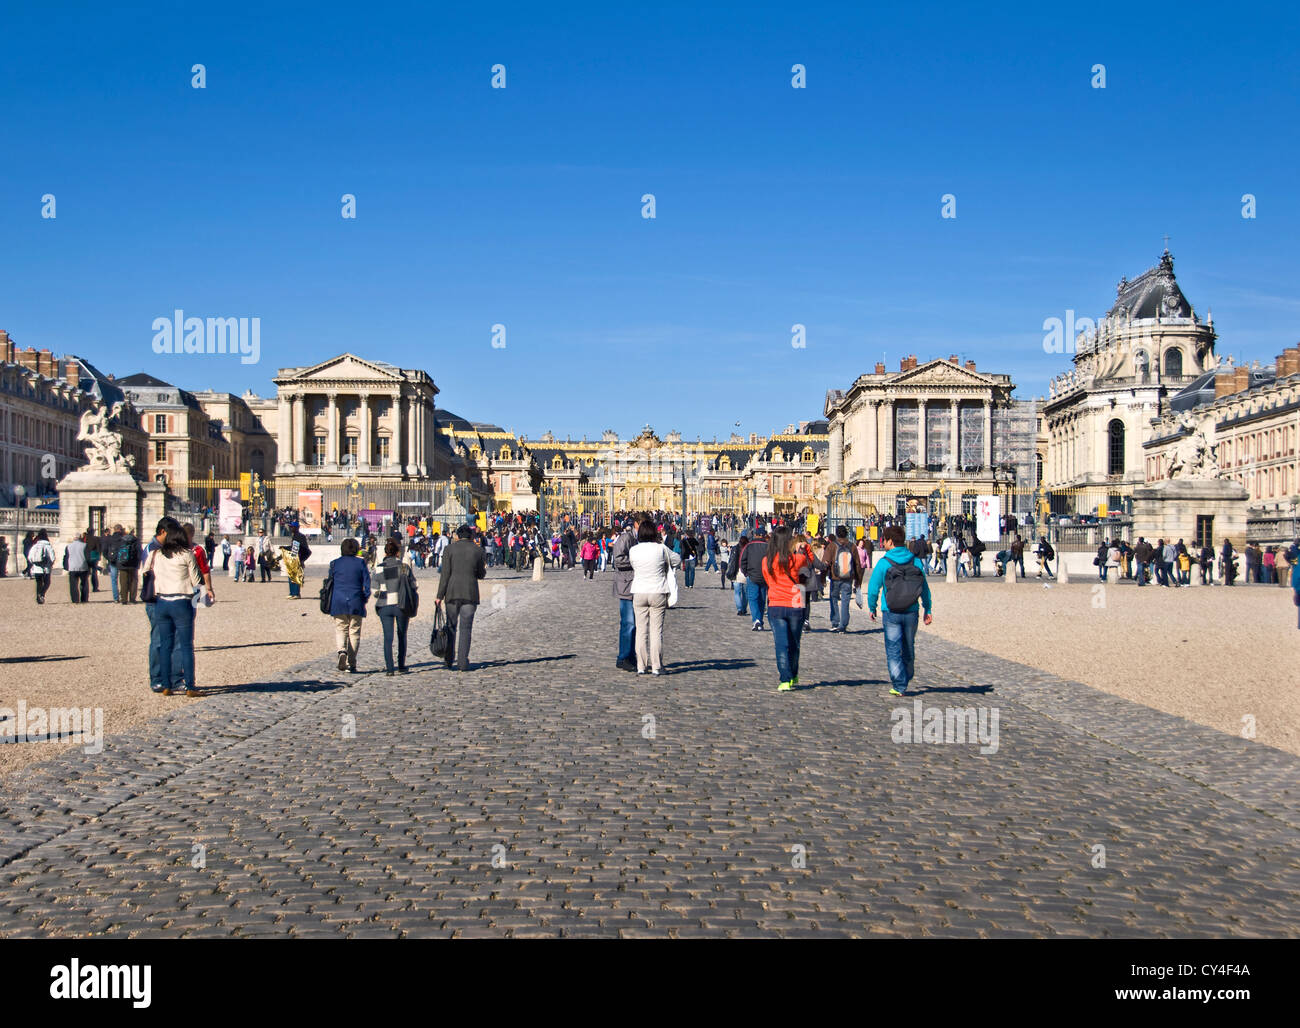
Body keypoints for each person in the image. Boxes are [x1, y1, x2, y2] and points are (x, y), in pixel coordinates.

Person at [867, 524, 934, 697]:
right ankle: (908, 672)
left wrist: (872, 607)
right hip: (912, 610)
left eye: (885, 540)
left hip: (891, 611)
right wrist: (928, 608)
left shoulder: (884, 562)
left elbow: (874, 587)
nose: (883, 544)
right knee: (908, 644)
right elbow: (924, 587)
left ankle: (899, 684)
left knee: (893, 648)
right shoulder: (915, 561)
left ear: (890, 541)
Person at [142, 518, 202, 696]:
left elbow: (144, 572)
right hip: (182, 601)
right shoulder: (186, 554)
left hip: (162, 601)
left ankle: (166, 684)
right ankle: (188, 685)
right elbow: (197, 581)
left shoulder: (156, 554)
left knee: (166, 645)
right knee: (185, 646)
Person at [763, 526, 816, 691]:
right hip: (795, 603)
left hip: (776, 604)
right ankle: (793, 674)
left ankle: (785, 679)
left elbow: (768, 581)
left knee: (781, 643)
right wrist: (805, 545)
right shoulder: (797, 559)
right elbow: (810, 561)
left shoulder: (767, 561)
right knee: (794, 642)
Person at [629, 519, 681, 675]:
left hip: (639, 591)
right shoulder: (661, 549)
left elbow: (633, 565)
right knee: (656, 631)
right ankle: (657, 666)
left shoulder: (634, 550)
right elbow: (677, 559)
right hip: (657, 590)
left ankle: (641, 666)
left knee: (641, 631)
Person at [437, 524, 487, 672]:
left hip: (452, 592)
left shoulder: (449, 549)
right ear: (471, 536)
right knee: (466, 628)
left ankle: (448, 659)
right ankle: (462, 661)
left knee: (451, 626)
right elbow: (481, 574)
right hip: (470, 592)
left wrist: (439, 595)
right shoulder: (478, 551)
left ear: (457, 536)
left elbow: (445, 575)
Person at [327, 536, 370, 672]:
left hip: (338, 600)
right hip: (356, 599)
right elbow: (367, 584)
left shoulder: (335, 563)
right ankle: (352, 662)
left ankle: (342, 651)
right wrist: (365, 597)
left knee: (341, 628)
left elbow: (330, 582)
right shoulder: (361, 563)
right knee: (354, 631)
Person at [374, 538, 415, 675]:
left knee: (388, 637)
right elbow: (414, 585)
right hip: (401, 604)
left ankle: (390, 668)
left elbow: (374, 591)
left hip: (384, 605)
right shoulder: (404, 567)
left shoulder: (379, 568)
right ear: (398, 553)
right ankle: (401, 664)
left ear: (385, 553)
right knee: (402, 635)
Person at [611, 515, 640, 672]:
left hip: (635, 585)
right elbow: (619, 560)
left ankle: (630, 655)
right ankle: (623, 657)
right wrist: (638, 561)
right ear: (636, 524)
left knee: (634, 624)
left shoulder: (637, 539)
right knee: (628, 624)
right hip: (625, 585)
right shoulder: (626, 538)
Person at [823, 525, 862, 633]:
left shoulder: (832, 546)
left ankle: (835, 622)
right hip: (848, 577)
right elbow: (858, 564)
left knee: (834, 599)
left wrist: (822, 578)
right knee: (846, 601)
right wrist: (858, 580)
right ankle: (843, 625)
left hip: (835, 577)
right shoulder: (852, 546)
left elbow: (825, 563)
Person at [739, 526, 770, 631]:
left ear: (755, 535)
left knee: (753, 598)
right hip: (765, 576)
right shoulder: (768, 546)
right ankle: (760, 620)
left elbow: (742, 560)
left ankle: (756, 619)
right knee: (762, 599)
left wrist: (745, 572)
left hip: (752, 575)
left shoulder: (749, 546)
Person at [28, 529, 56, 604]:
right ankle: (42, 594)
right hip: (46, 569)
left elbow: (30, 557)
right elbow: (52, 557)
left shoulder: (35, 546)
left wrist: (34, 563)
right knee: (47, 582)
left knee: (39, 583)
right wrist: (50, 564)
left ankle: (38, 598)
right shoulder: (48, 546)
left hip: (37, 568)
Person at [63, 531, 90, 603]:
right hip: (83, 566)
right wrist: (89, 566)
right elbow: (88, 557)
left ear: (74, 538)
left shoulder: (68, 546)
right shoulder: (85, 545)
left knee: (73, 585)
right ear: (80, 538)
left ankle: (75, 599)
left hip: (72, 567)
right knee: (84, 584)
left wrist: (66, 567)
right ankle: (84, 599)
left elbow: (66, 557)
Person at [288, 523, 312, 598]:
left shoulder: (301, 537)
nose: (291, 529)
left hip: (298, 559)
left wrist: (302, 560)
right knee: (291, 576)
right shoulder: (294, 536)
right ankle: (292, 593)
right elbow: (293, 548)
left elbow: (307, 551)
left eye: (292, 527)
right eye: (290, 527)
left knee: (297, 577)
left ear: (297, 528)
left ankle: (296, 593)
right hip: (292, 559)